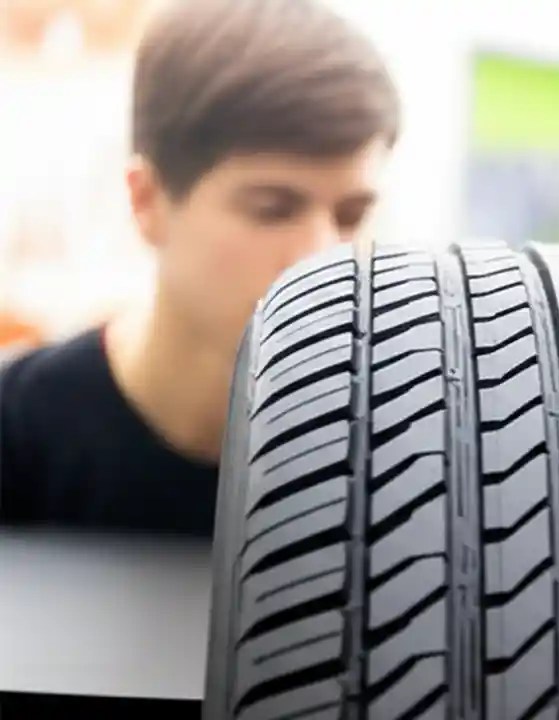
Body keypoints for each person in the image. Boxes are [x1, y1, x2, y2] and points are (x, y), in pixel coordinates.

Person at [0, 0, 400, 537]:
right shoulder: (18, 436)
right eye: (273, 209)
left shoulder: (398, 462)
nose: (320, 258)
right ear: (147, 201)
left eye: (351, 216)